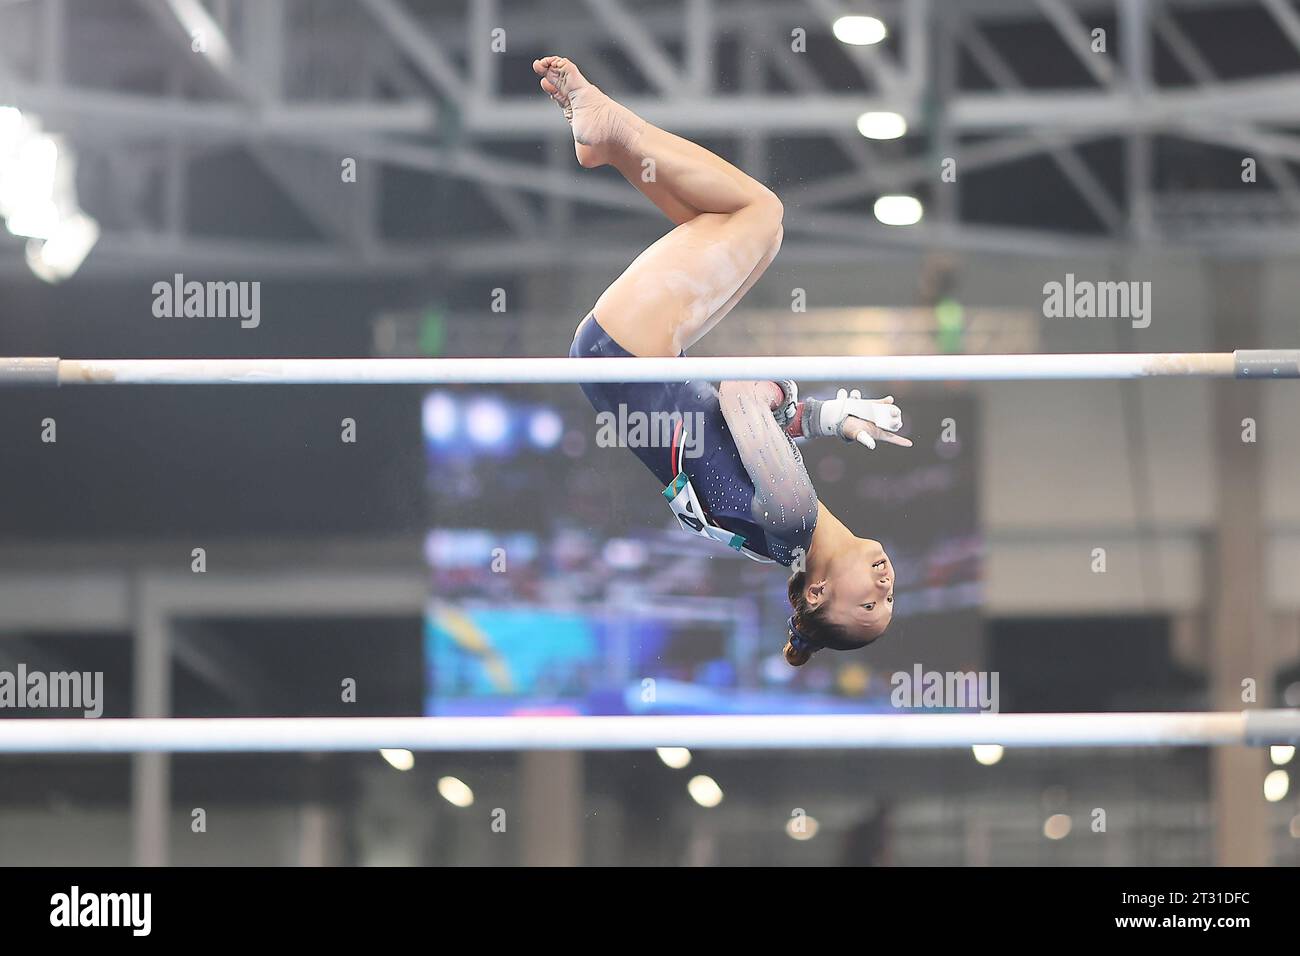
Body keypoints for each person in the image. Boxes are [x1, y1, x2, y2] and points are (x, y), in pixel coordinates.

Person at [539, 56, 911, 665]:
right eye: (890, 602)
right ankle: (609, 143)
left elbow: (741, 394)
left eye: (868, 606)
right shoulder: (780, 537)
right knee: (740, 230)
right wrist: (831, 419)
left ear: (815, 593)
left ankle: (611, 125)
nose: (885, 589)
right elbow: (743, 426)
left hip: (631, 354)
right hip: (632, 362)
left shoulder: (793, 515)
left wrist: (809, 405)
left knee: (758, 214)